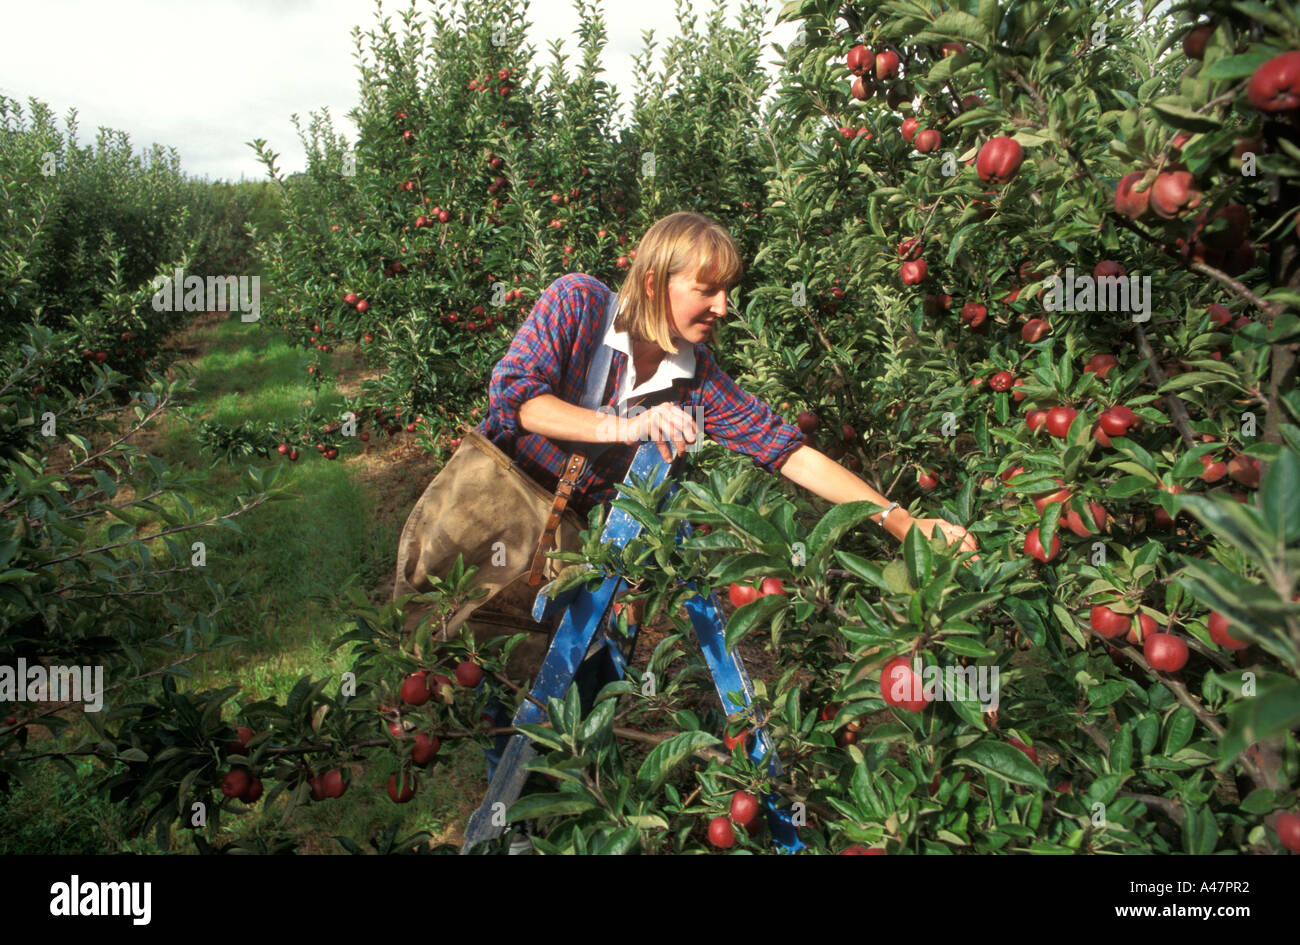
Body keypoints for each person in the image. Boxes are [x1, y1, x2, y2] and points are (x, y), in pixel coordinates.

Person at [475, 210, 979, 557]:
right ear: (653, 283)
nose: (722, 307)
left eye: (727, 291)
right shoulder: (578, 303)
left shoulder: (696, 377)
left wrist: (903, 523)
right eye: (707, 290)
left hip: (564, 541)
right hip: (487, 505)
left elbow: (788, 453)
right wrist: (627, 427)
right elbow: (517, 403)